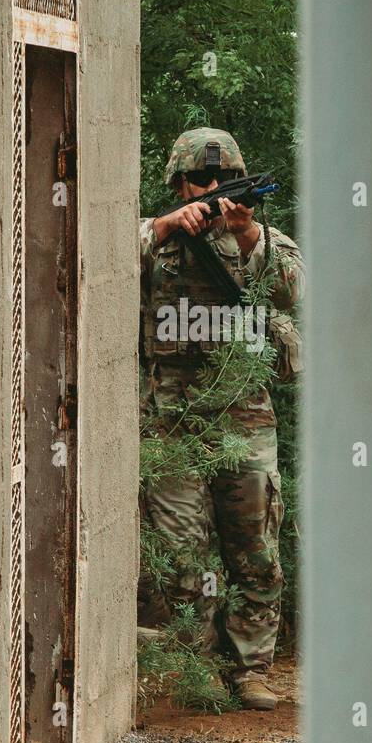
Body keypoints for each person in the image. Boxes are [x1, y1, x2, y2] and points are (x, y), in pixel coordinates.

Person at [138, 127, 304, 709]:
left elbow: (292, 288)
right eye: (199, 182)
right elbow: (97, 254)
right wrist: (164, 226)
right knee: (182, 556)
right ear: (179, 184)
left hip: (245, 420)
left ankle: (251, 668)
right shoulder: (155, 240)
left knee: (254, 549)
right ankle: (194, 667)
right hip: (173, 421)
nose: (211, 191)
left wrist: (247, 232)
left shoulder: (260, 240)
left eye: (221, 182)